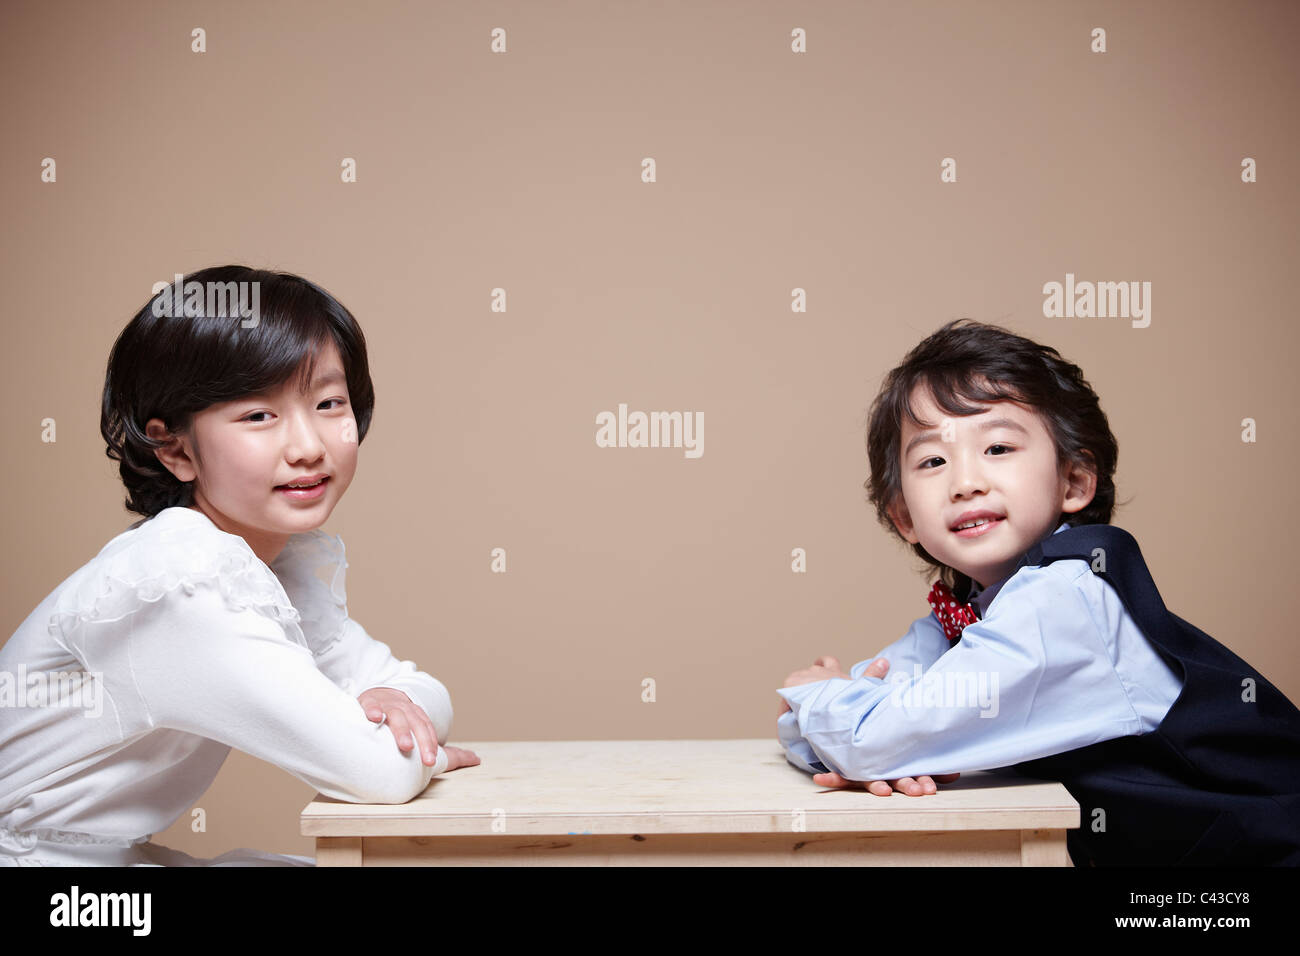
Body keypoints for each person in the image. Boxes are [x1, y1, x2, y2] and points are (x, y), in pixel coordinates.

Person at [0, 266, 478, 866]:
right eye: (259, 416)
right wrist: (404, 737)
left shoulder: (266, 566)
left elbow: (422, 690)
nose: (308, 446)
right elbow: (378, 771)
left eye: (329, 403)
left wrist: (392, 698)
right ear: (174, 448)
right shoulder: (184, 585)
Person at [776, 318, 1300, 865]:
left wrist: (823, 695)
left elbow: (868, 737)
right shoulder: (961, 616)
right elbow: (851, 734)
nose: (965, 481)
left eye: (998, 448)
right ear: (905, 517)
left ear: (1074, 482)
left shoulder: (1063, 602)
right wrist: (857, 735)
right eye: (933, 460)